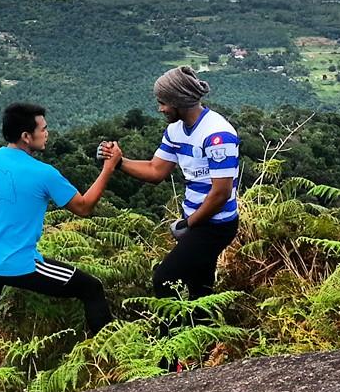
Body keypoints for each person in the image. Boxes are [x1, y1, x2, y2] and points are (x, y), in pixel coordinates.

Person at [0, 102, 121, 392]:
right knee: (92, 288)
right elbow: (84, 208)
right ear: (26, 136)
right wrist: (109, 168)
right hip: (23, 265)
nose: (47, 133)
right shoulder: (44, 173)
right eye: (43, 129)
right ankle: (113, 364)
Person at [101, 67, 239, 300]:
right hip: (196, 219)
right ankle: (203, 331)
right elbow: (156, 171)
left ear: (178, 101)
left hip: (216, 224)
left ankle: (169, 334)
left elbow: (221, 193)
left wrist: (188, 224)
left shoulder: (217, 135)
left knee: (164, 278)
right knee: (200, 287)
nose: (160, 109)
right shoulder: (175, 131)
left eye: (163, 102)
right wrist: (119, 162)